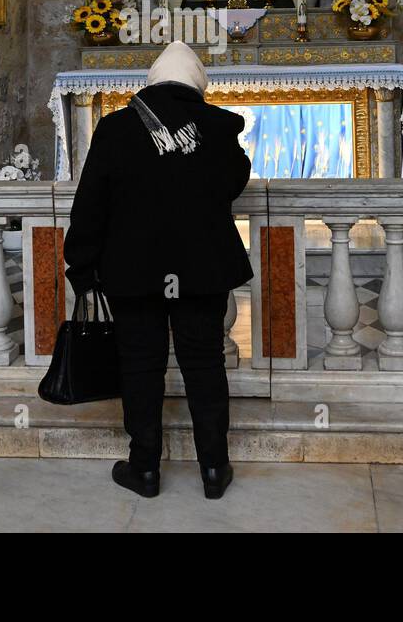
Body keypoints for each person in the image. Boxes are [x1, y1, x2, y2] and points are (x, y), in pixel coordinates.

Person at [64, 41, 253, 500]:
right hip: (200, 268)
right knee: (205, 363)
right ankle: (214, 468)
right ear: (196, 84)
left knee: (141, 365)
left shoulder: (115, 129)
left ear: (150, 81)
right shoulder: (217, 126)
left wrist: (82, 265)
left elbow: (90, 205)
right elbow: (234, 180)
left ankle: (144, 468)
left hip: (134, 269)